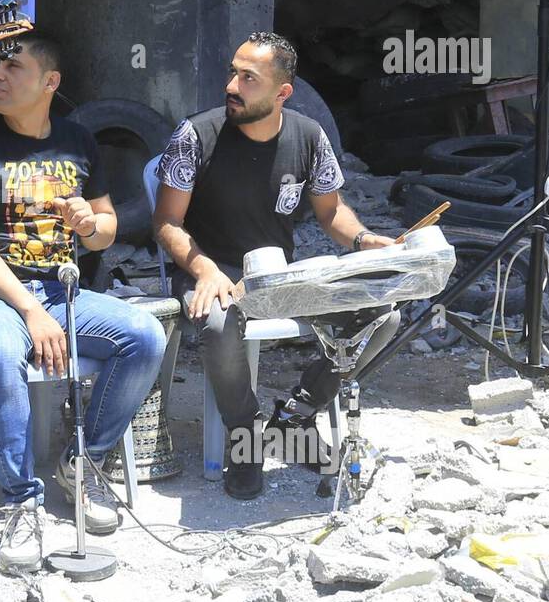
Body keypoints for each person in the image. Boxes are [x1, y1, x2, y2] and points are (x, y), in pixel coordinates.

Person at [0, 32, 167, 574]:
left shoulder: (78, 141)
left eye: (13, 66)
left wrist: (91, 224)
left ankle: (83, 462)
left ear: (49, 82)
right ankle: (22, 502)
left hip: (63, 293)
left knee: (146, 337)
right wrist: (29, 309)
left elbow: (106, 229)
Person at [152, 32, 400, 500]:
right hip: (212, 267)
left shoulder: (309, 136)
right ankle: (244, 437)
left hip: (276, 274)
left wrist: (365, 240)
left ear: (281, 93)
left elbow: (331, 213)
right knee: (220, 324)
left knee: (384, 313)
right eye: (232, 72)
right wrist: (204, 270)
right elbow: (166, 221)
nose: (232, 85)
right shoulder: (196, 134)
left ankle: (295, 417)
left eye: (249, 78)